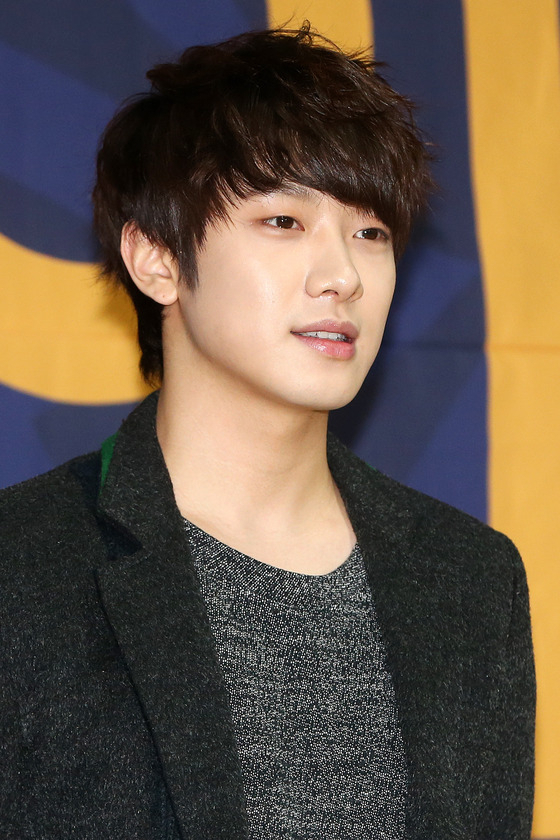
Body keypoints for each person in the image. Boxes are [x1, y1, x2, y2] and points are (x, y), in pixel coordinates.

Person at [0, 24, 535, 840]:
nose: (343, 276)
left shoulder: (470, 579)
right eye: (284, 221)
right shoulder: (23, 566)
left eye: (371, 232)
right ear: (156, 258)